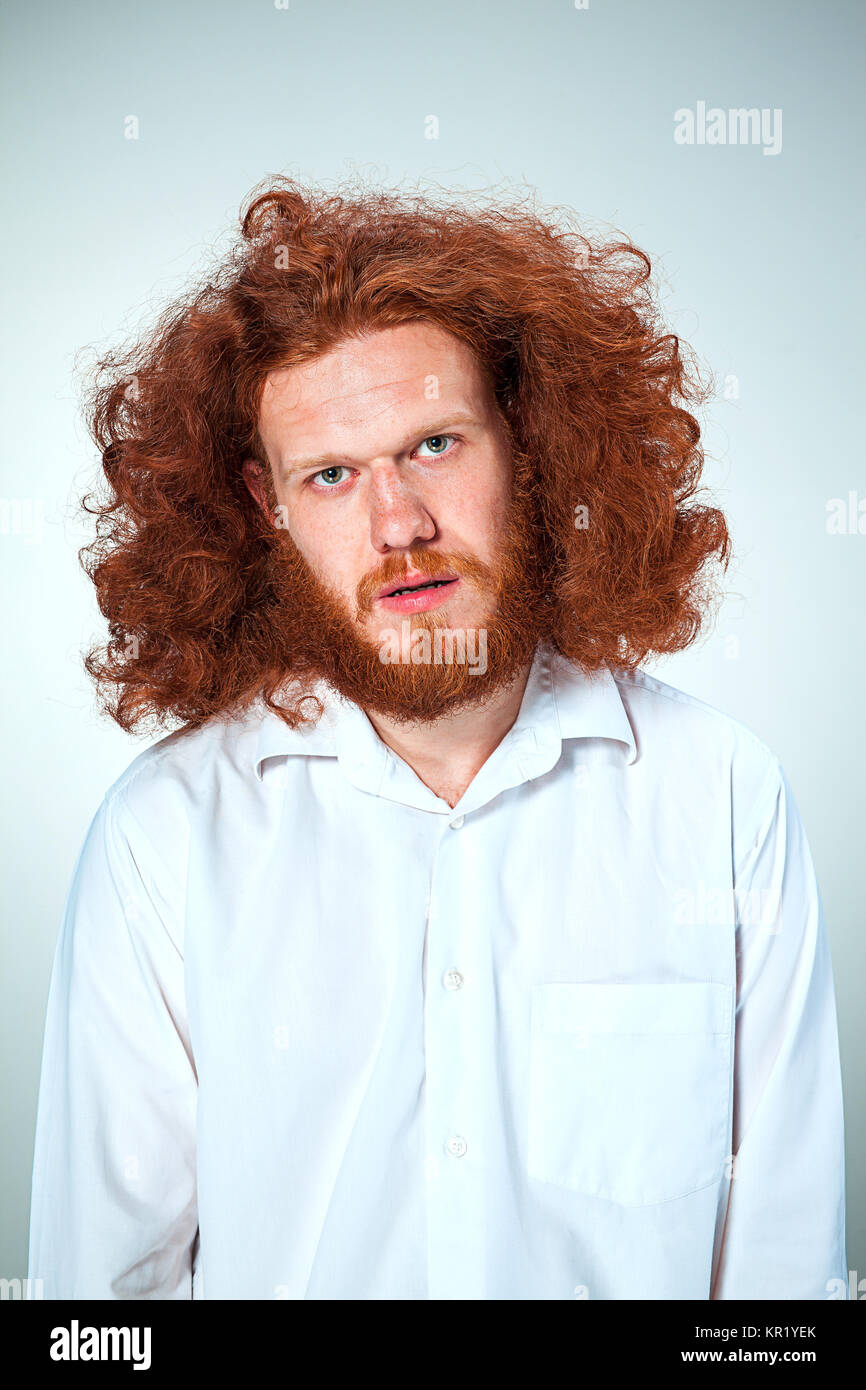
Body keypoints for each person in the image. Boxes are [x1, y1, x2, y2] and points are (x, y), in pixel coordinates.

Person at [27, 177, 847, 1299]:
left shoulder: (719, 796)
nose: (398, 523)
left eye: (433, 445)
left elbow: (779, 1284)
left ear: (528, 442)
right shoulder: (164, 835)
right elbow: (104, 1298)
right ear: (269, 507)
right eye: (331, 475)